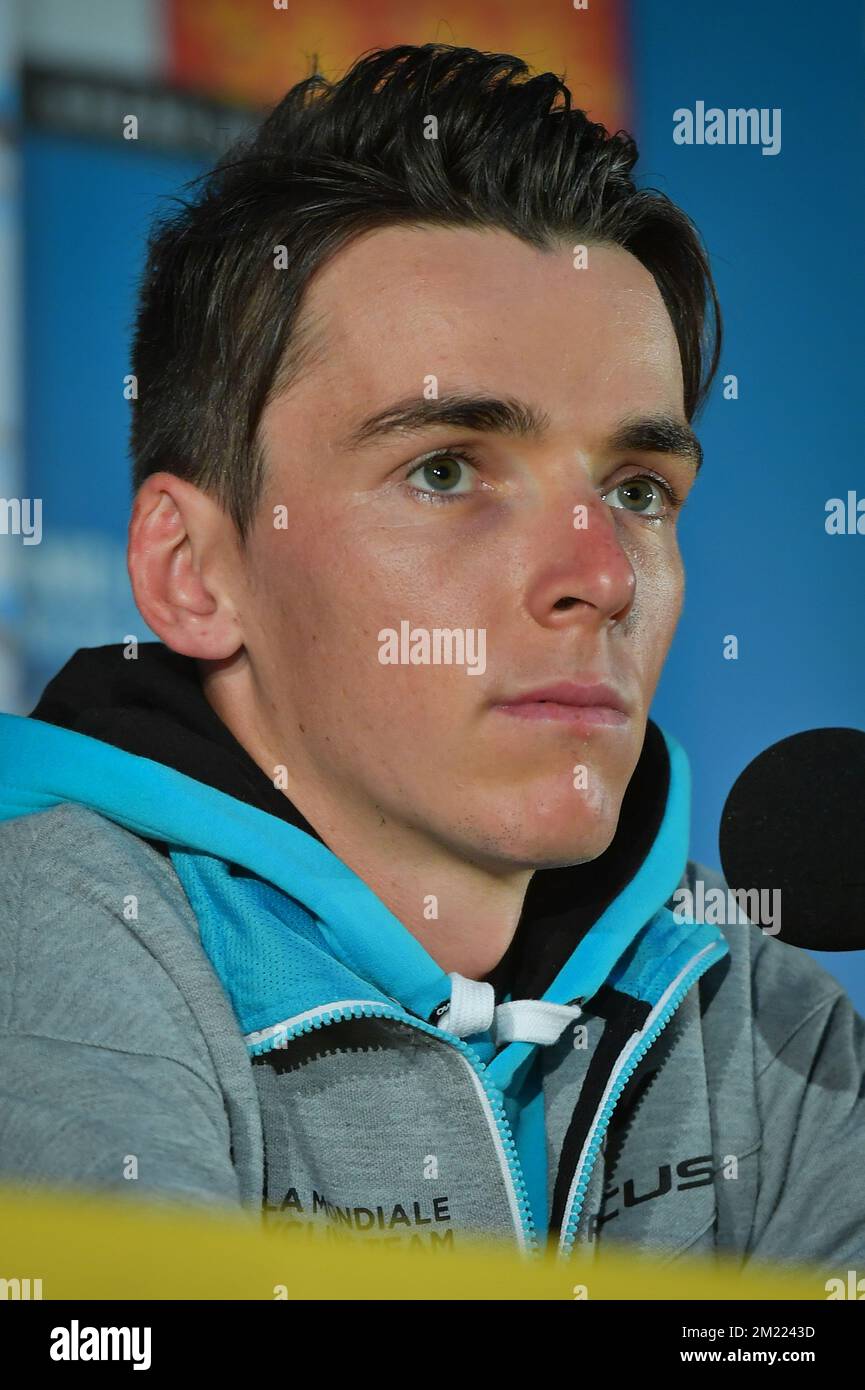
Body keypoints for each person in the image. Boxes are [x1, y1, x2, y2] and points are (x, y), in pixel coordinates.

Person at [0, 43, 862, 1272]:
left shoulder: (764, 1021)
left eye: (637, 488)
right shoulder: (41, 949)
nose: (602, 575)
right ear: (193, 573)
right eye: (446, 469)